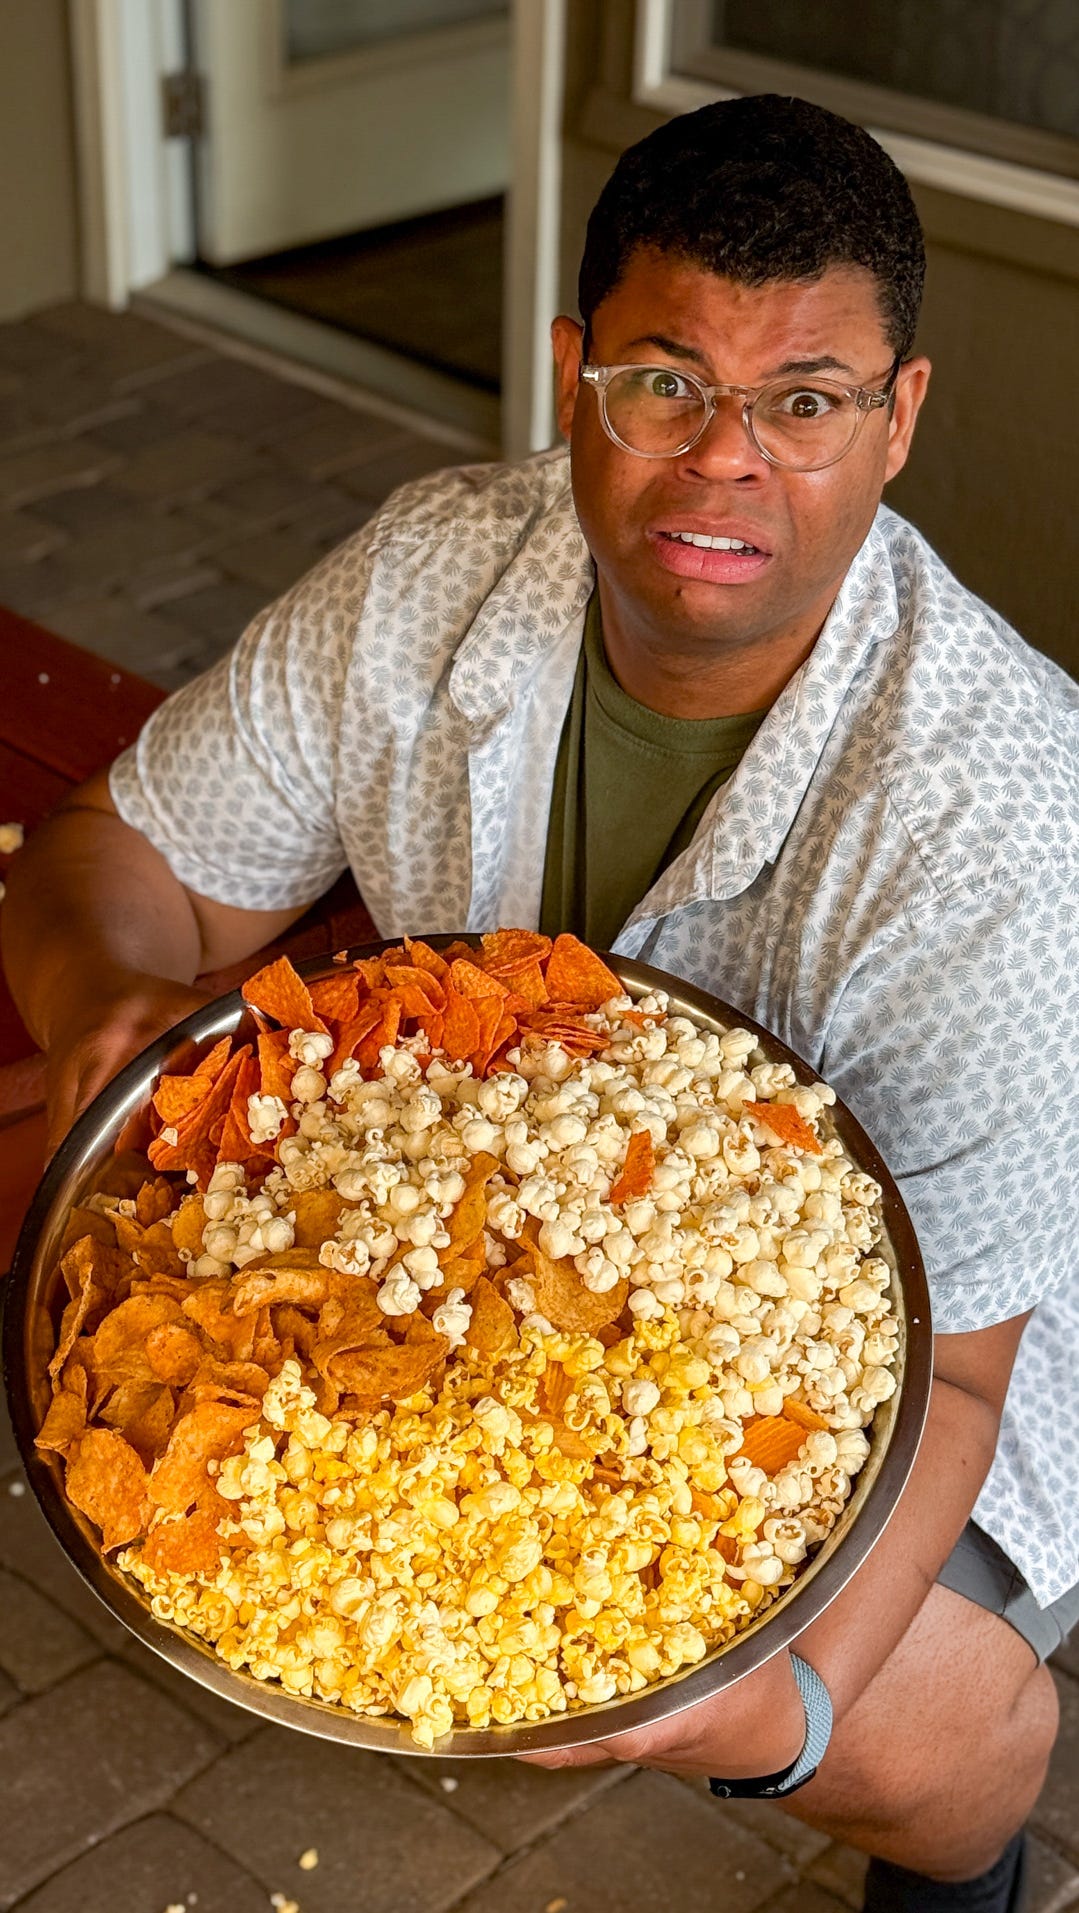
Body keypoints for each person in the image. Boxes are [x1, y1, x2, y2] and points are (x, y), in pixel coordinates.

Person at [4, 94, 1077, 1913]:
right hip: (463, 1288)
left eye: (804, 402)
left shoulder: (1011, 823)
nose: (724, 461)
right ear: (574, 371)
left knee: (927, 1731)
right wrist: (106, 999)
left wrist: (763, 1701)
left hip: (967, 1330)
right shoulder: (437, 566)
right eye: (666, 382)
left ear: (897, 421)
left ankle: (963, 1871)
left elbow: (960, 1371)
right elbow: (123, 851)